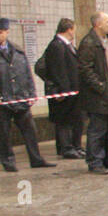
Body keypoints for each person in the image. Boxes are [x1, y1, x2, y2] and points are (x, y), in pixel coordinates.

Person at [0, 17, 54, 172]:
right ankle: (8, 161)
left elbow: (27, 74)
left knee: (30, 131)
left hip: (21, 98)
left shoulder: (17, 51)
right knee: (4, 133)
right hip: (2, 102)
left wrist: (31, 94)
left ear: (7, 32)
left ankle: (36, 159)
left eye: (0, 32)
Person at [76, 12, 108, 173]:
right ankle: (95, 162)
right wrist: (101, 87)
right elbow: (85, 70)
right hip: (99, 97)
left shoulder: (104, 42)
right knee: (97, 131)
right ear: (97, 24)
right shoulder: (89, 43)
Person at [40, 17, 84, 159]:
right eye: (74, 29)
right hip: (64, 92)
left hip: (73, 91)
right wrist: (63, 90)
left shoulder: (67, 45)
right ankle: (66, 148)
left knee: (75, 119)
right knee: (64, 121)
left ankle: (76, 146)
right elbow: (58, 71)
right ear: (69, 29)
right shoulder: (56, 46)